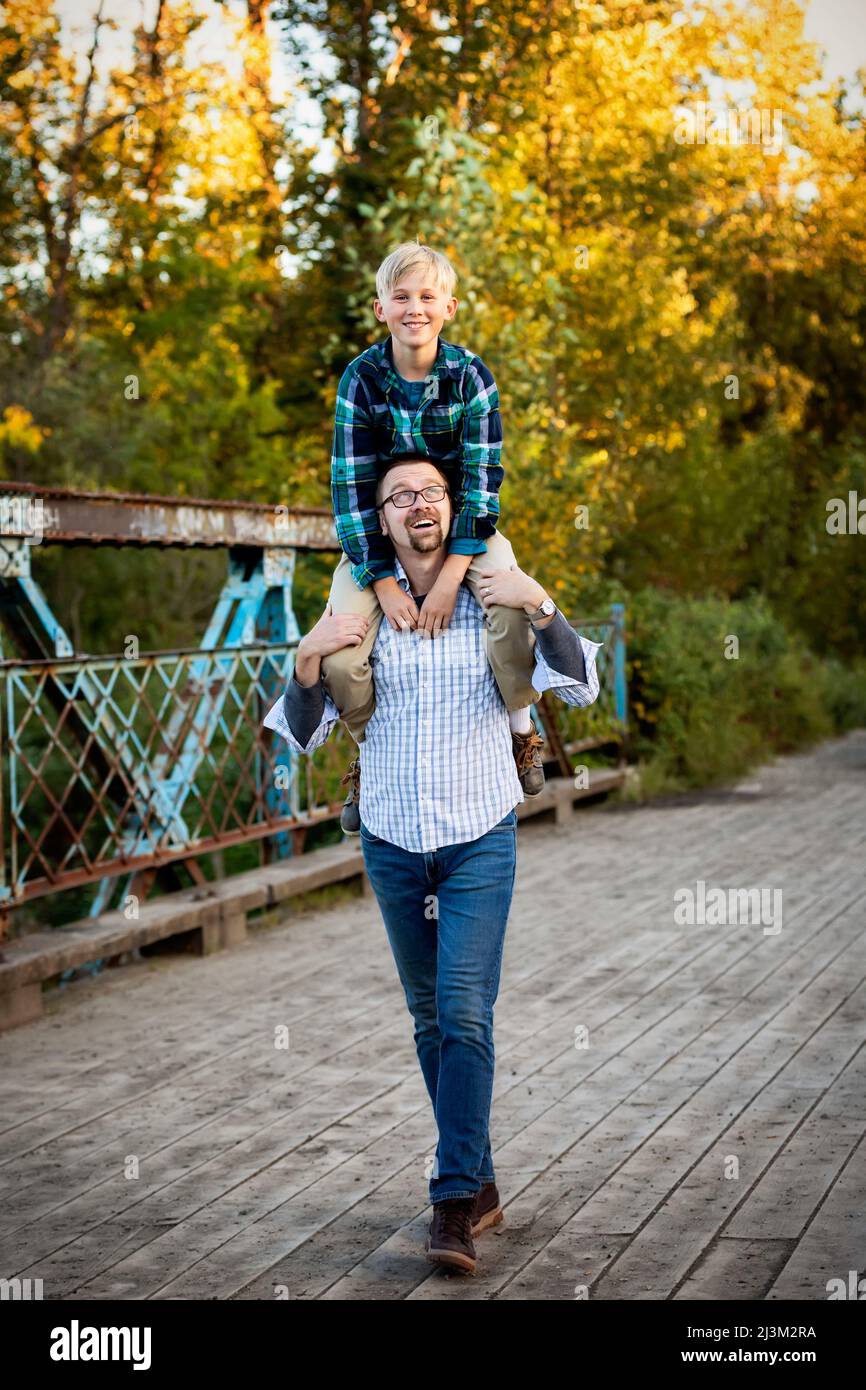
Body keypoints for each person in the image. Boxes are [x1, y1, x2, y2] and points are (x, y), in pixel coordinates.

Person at [263, 457, 602, 1275]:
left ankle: (450, 1202)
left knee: (464, 1012)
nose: (419, 504)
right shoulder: (359, 605)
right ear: (379, 520)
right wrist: (307, 657)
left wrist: (543, 604)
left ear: (454, 510)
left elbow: (582, 683)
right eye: (399, 496)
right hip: (389, 836)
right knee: (430, 1020)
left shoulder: (492, 593)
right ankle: (479, 1180)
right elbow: (302, 730)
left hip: (479, 830)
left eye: (433, 493)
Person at [324, 239, 547, 834]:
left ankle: (522, 734)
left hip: (465, 533)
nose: (414, 307)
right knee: (342, 657)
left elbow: (482, 486)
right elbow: (349, 491)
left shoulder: (471, 377)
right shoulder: (361, 380)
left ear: (449, 307)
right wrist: (381, 583)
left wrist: (450, 580)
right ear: (381, 309)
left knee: (507, 610)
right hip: (381, 538)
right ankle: (369, 758)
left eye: (427, 296)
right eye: (401, 297)